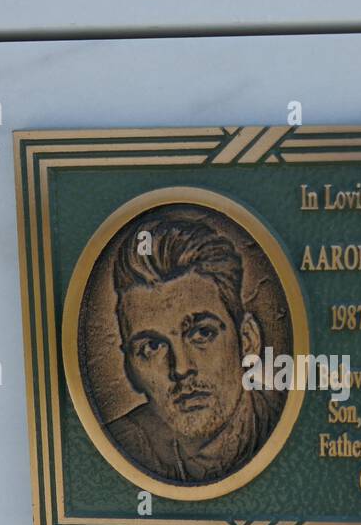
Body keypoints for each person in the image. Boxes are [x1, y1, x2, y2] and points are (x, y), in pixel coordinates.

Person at [105, 207, 283, 484]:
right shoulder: (121, 446)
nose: (181, 368)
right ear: (130, 369)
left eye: (202, 333)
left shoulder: (287, 427)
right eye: (152, 346)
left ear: (248, 340)